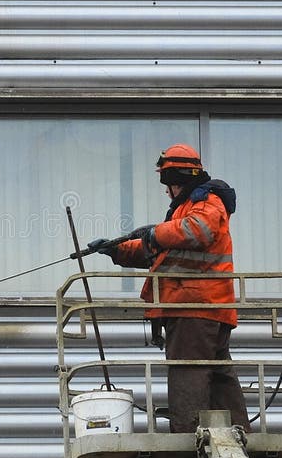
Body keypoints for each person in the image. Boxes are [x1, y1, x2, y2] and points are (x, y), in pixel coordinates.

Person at [89, 143, 250, 434]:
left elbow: (196, 231)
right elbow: (157, 251)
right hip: (204, 308)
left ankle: (187, 437)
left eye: (169, 184)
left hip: (195, 307)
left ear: (178, 180)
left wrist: (155, 232)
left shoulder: (207, 200)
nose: (167, 191)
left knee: (188, 371)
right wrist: (117, 249)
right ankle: (238, 430)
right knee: (217, 372)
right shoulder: (185, 210)